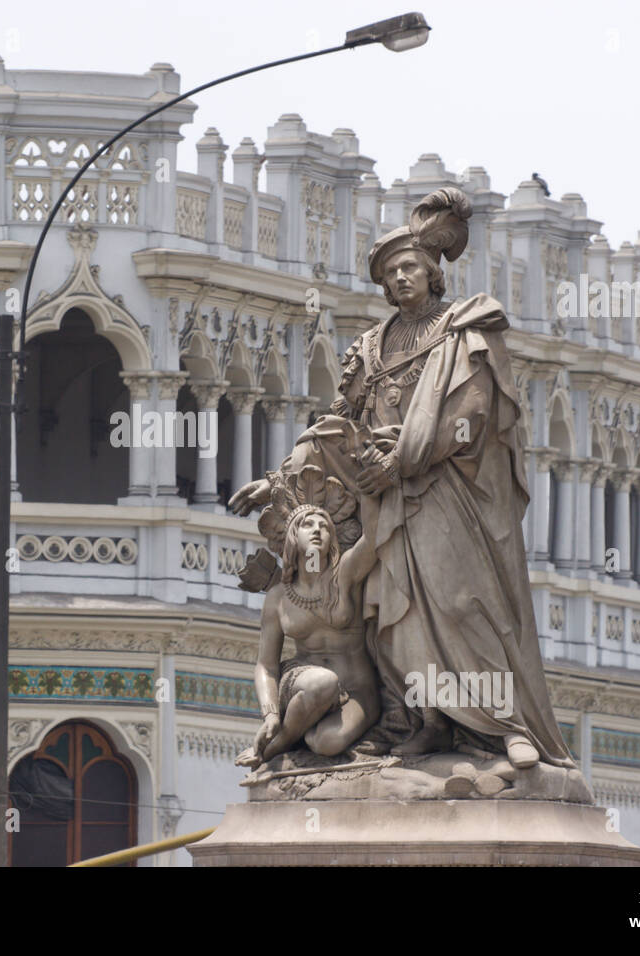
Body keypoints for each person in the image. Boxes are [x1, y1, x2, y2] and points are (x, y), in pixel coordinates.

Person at [232, 187, 575, 771]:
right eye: (389, 273)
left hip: (448, 493)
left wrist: (409, 456)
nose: (400, 279)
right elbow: (339, 423)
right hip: (384, 501)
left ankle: (504, 726)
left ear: (434, 270)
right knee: (397, 620)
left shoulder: (467, 329)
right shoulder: (370, 345)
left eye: (409, 266)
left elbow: (472, 414)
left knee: (463, 605)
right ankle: (424, 722)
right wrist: (283, 480)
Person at [237, 464, 384, 768]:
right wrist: (271, 714)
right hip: (307, 684)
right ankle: (276, 741)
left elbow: (373, 539)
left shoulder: (345, 573)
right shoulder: (279, 596)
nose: (317, 529)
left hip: (357, 690)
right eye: (308, 525)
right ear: (292, 537)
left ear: (333, 537)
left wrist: (368, 482)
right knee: (320, 681)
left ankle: (288, 739)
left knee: (325, 743)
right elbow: (265, 665)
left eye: (325, 525)